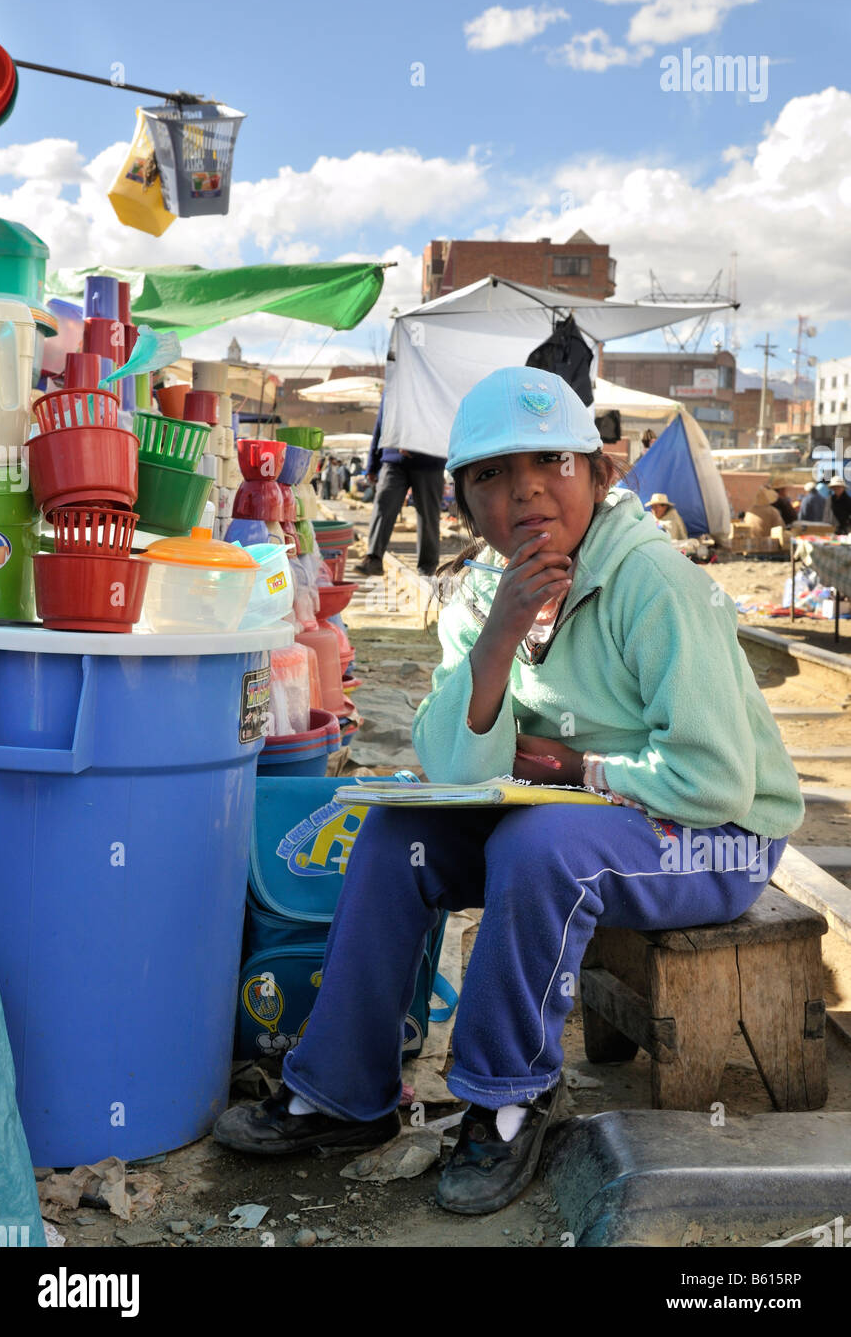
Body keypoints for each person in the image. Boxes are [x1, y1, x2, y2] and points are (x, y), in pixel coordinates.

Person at [213, 367, 803, 1215]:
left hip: (717, 835)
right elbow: (457, 771)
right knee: (393, 838)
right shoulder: (485, 595)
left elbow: (712, 781)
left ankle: (503, 1100)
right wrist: (497, 637)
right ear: (459, 500)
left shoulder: (653, 585)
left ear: (599, 473)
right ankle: (338, 1093)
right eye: (491, 475)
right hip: (593, 823)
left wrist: (582, 772)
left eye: (550, 464)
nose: (524, 492)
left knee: (539, 847)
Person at [355, 396, 447, 577]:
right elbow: (381, 424)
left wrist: (415, 440)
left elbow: (442, 418)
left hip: (429, 459)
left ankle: (427, 570)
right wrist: (372, 465)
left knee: (428, 516)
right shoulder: (394, 384)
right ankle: (373, 558)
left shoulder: (434, 378)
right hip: (393, 459)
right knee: (383, 504)